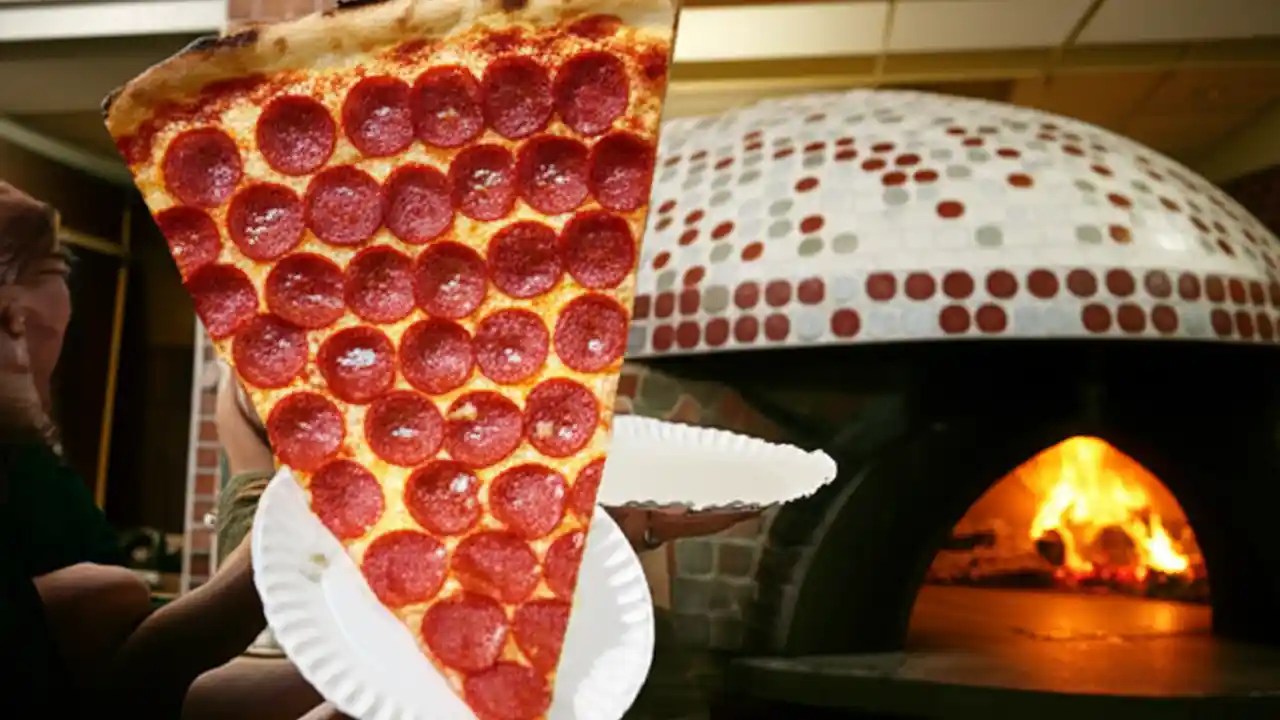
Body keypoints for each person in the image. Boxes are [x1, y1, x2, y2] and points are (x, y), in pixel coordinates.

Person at [0, 181, 345, 719]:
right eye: (45, 269)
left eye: (56, 269)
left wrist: (348, 682)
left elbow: (132, 689)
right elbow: (131, 690)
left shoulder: (27, 456)